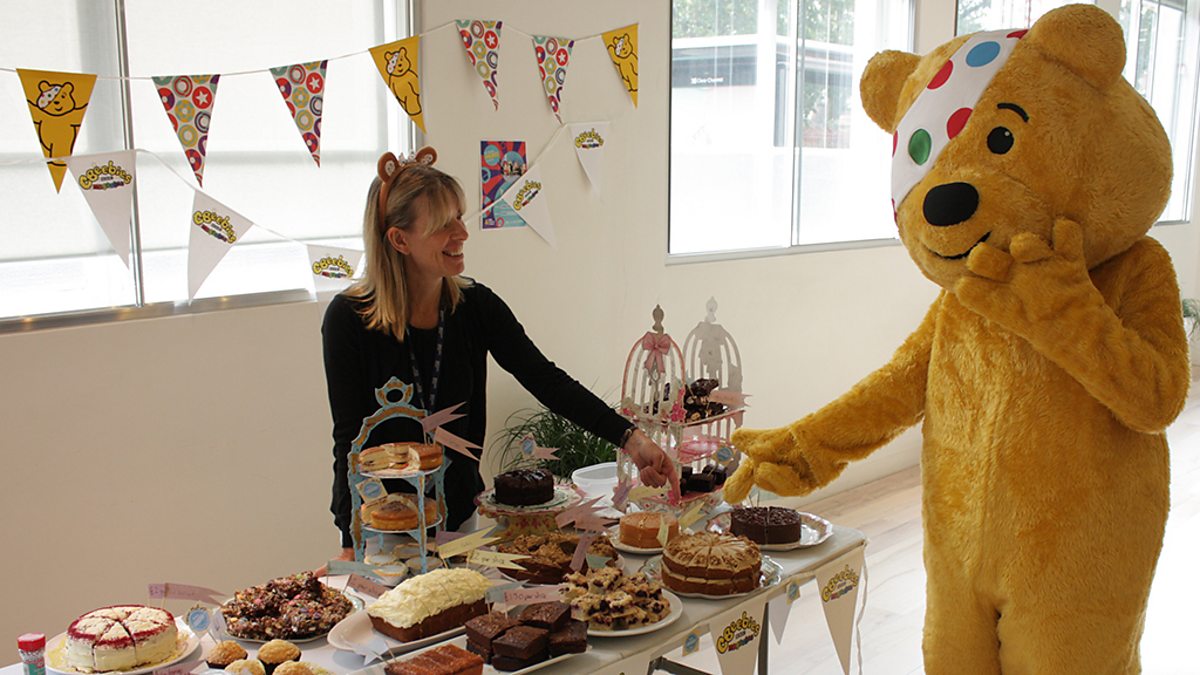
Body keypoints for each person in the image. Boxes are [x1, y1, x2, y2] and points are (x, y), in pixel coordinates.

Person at [322, 147, 678, 561]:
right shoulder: (348, 320)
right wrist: (350, 538)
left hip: (458, 519)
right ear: (400, 240)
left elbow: (545, 379)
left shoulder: (476, 306)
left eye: (460, 216)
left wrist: (633, 440)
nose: (462, 233)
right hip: (382, 525)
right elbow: (349, 438)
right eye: (443, 224)